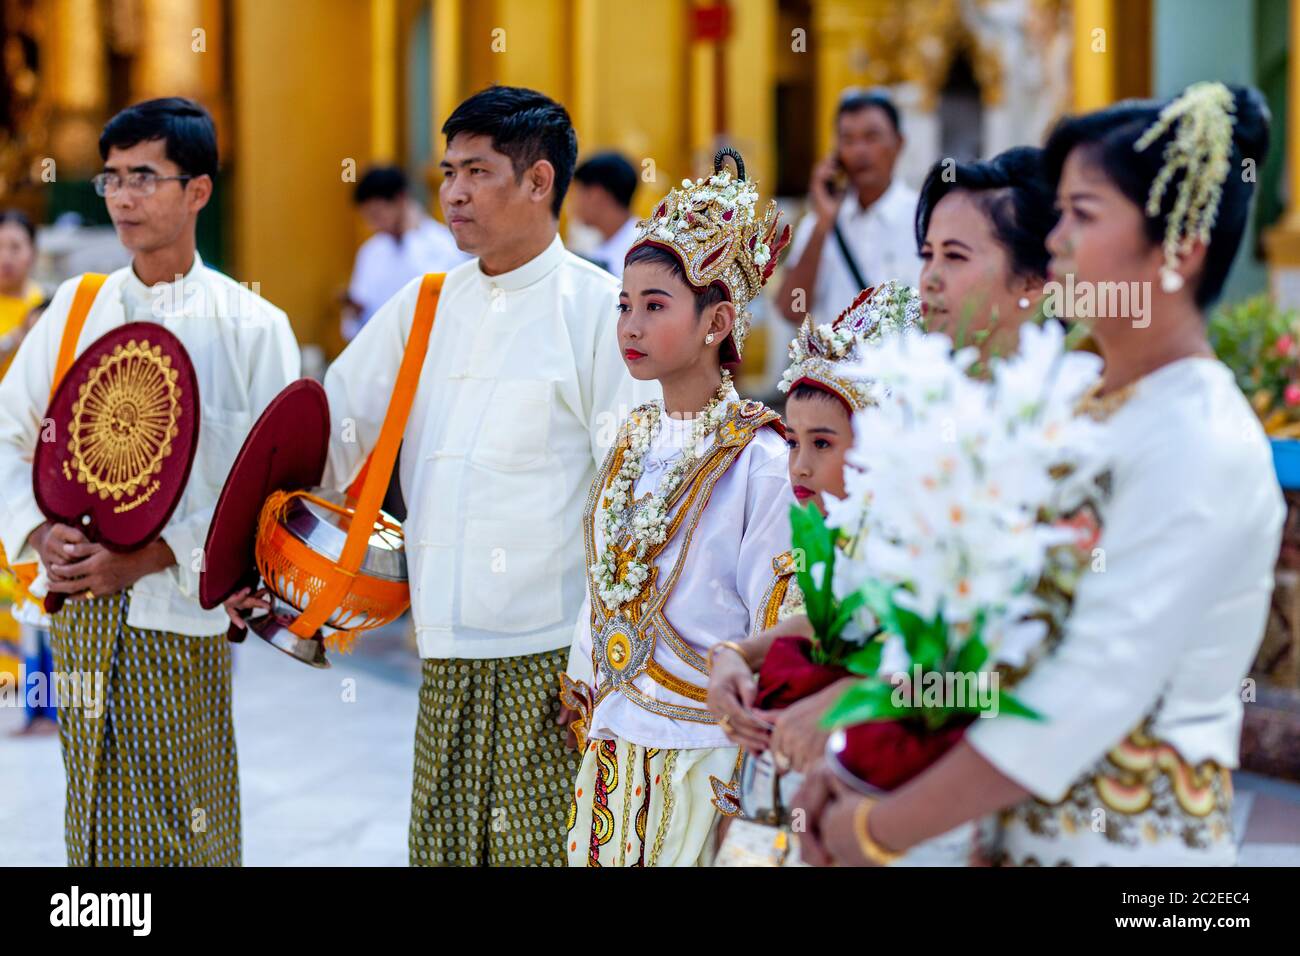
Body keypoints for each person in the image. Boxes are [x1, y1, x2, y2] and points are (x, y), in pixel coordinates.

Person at [796, 82, 1283, 867]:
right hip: (1011, 836)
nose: (1054, 240)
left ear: (1177, 252)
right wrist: (859, 758)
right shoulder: (1077, 412)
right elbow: (991, 662)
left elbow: (1091, 690)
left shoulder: (1198, 437)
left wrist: (880, 829)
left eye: (1082, 215)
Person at [303, 85, 653, 867]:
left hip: (553, 671)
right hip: (446, 653)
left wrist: (601, 675)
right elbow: (332, 430)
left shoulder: (597, 312)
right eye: (447, 172)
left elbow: (631, 502)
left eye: (477, 171)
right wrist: (259, 539)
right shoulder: (423, 306)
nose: (454, 192)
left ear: (539, 182)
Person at [0, 97, 300, 865]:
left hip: (180, 623)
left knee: (182, 823)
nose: (124, 198)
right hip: (80, 615)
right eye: (110, 179)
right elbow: (7, 435)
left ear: (197, 190)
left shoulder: (251, 327)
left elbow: (269, 491)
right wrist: (38, 530)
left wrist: (146, 558)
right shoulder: (76, 308)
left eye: (144, 177)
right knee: (92, 818)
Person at [560, 148, 793, 867]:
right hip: (615, 752)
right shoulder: (629, 442)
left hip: (707, 759)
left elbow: (779, 618)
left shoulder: (762, 461)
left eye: (655, 306)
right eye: (624, 304)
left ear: (716, 321)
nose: (630, 324)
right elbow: (603, 588)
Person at [777, 88, 920, 327]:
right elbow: (791, 310)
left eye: (871, 137)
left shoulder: (923, 218)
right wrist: (823, 224)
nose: (859, 151)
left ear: (898, 143)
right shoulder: (819, 223)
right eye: (848, 140)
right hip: (835, 364)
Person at [915, 146, 1059, 360]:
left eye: (954, 255)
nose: (928, 279)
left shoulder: (1072, 390)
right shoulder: (898, 387)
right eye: (927, 255)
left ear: (1033, 282)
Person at [343, 164, 469, 338]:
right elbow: (352, 329)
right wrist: (355, 312)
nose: (373, 225)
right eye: (368, 218)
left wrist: (411, 237)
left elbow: (436, 301)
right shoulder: (371, 251)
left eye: (377, 214)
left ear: (401, 200)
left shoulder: (445, 244)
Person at [569, 151, 639, 277]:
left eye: (577, 193)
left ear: (596, 195)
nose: (573, 202)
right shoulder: (595, 247)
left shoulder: (644, 251)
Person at [0, 209, 44, 377]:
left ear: (32, 252)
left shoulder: (46, 304)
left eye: (15, 247)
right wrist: (13, 339)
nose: (5, 258)